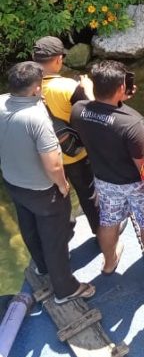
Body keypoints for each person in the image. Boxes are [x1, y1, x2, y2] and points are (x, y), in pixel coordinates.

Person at [71, 60, 144, 279]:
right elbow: (143, 168)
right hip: (135, 183)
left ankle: (109, 263)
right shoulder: (133, 124)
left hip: (104, 179)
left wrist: (106, 95)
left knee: (109, 221)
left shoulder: (78, 110)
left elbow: (97, 108)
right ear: (121, 88)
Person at [0, 62, 95, 304]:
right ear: (35, 88)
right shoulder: (36, 118)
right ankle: (66, 289)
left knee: (29, 226)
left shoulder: (1, 103)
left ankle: (42, 266)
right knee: (55, 238)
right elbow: (53, 164)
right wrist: (62, 185)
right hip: (43, 190)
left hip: (13, 182)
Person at [32, 36, 100, 236]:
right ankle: (100, 233)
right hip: (75, 154)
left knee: (58, 198)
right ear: (58, 59)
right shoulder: (68, 87)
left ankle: (66, 233)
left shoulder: (26, 87)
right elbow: (93, 116)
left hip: (45, 157)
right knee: (89, 194)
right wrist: (88, 90)